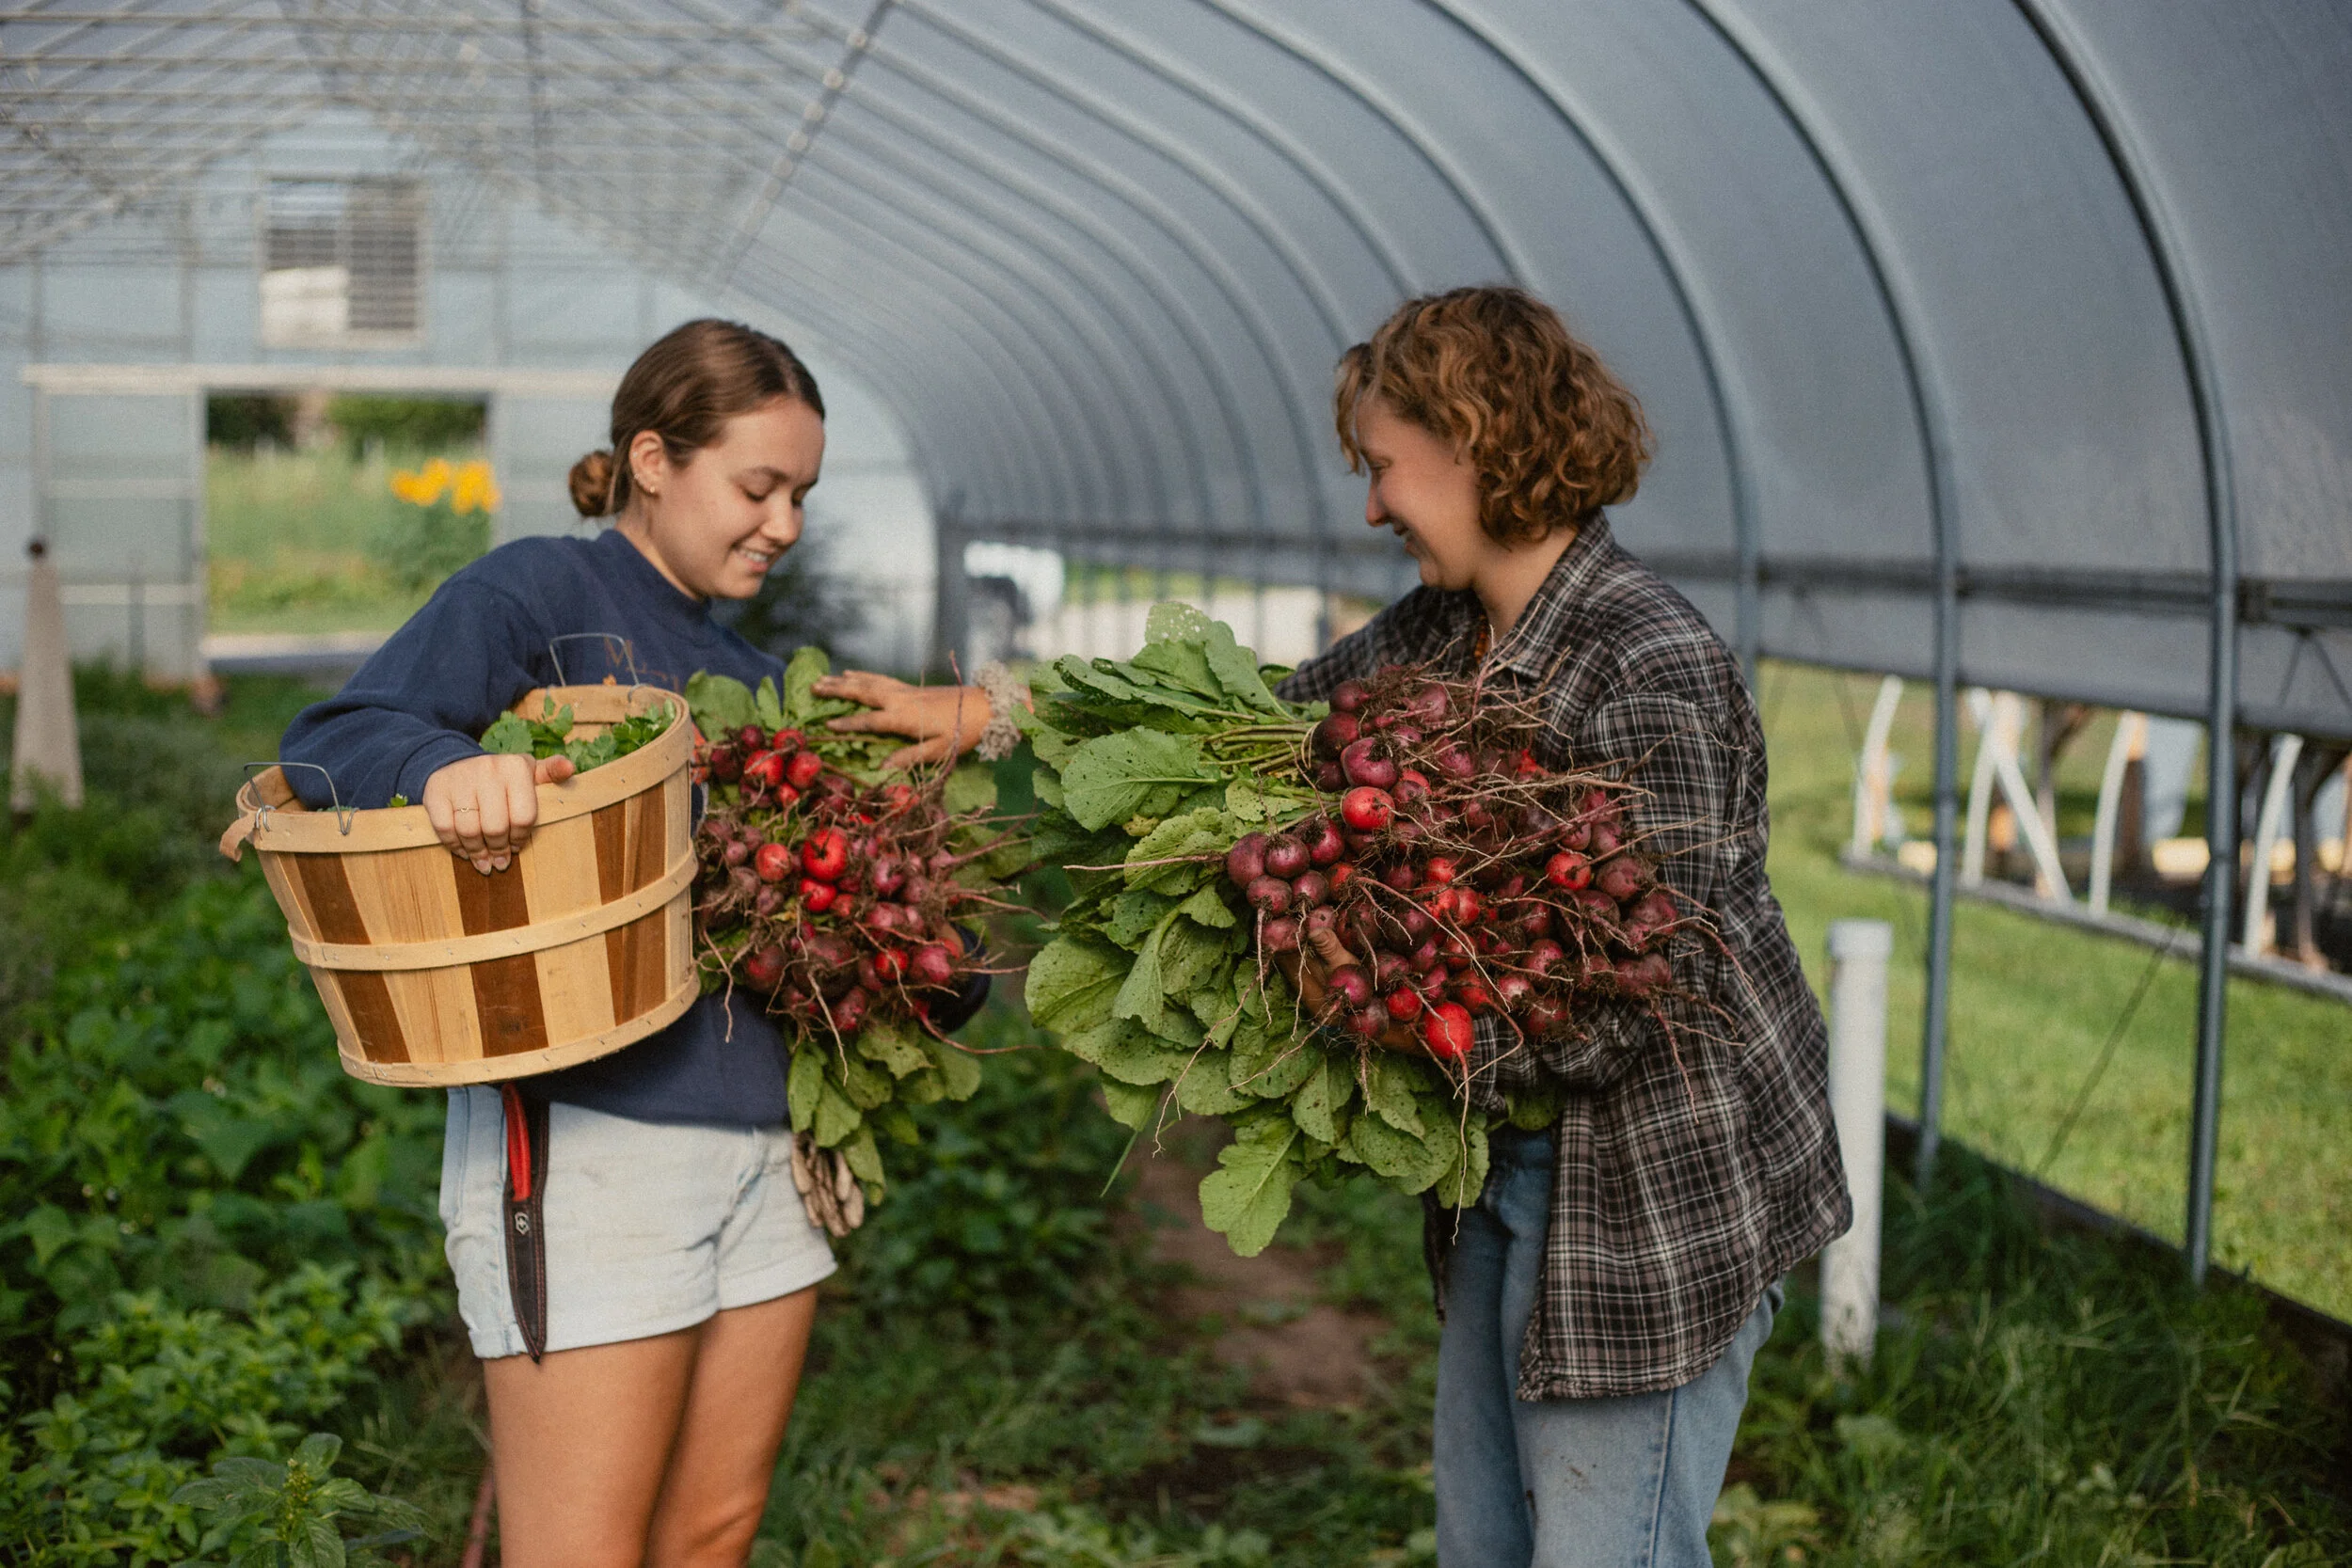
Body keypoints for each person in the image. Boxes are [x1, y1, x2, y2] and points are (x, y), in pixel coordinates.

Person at [864, 288, 1851, 1567]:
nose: (1375, 508)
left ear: (1477, 440)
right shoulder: (1448, 629)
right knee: (1485, 1544)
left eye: (1384, 467)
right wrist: (994, 715)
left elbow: (1634, 1003)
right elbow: (1239, 725)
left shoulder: (1647, 662)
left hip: (1650, 1191)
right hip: (1504, 1156)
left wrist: (1365, 1004)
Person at [281, 319, 977, 1568]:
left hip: (769, 1153)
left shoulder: (757, 675)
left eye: (804, 496)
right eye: (759, 487)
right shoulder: (539, 596)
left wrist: (915, 947)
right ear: (654, 460)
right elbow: (336, 737)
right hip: (598, 1140)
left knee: (712, 1534)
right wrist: (444, 766)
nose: (784, 524)